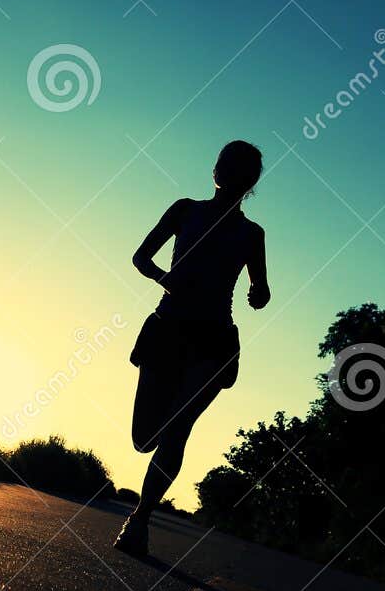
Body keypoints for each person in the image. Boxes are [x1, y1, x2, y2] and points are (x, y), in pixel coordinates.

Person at [114, 140, 269, 556]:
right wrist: (167, 279)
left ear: (250, 181)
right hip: (168, 329)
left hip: (215, 340)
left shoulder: (253, 235)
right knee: (145, 437)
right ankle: (149, 486)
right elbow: (140, 257)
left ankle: (140, 519)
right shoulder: (185, 210)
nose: (229, 173)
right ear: (215, 170)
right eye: (225, 164)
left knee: (178, 430)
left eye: (241, 170)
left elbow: (261, 289)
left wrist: (259, 294)